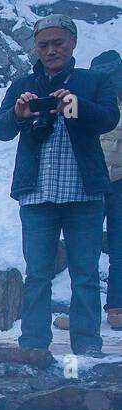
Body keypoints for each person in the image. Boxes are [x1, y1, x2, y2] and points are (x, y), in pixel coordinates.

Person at [0, 15, 119, 357]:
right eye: (43, 45)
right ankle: (33, 345)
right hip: (36, 193)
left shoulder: (94, 81)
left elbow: (109, 118)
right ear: (36, 47)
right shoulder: (22, 86)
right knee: (37, 275)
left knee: (86, 275)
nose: (50, 50)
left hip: (85, 193)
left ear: (73, 42)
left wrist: (74, 105)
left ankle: (88, 344)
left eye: (57, 43)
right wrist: (20, 114)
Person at [91, 49, 122, 332]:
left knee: (119, 247)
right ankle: (86, 307)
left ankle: (117, 306)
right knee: (85, 247)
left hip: (118, 182)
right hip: (94, 180)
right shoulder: (90, 99)